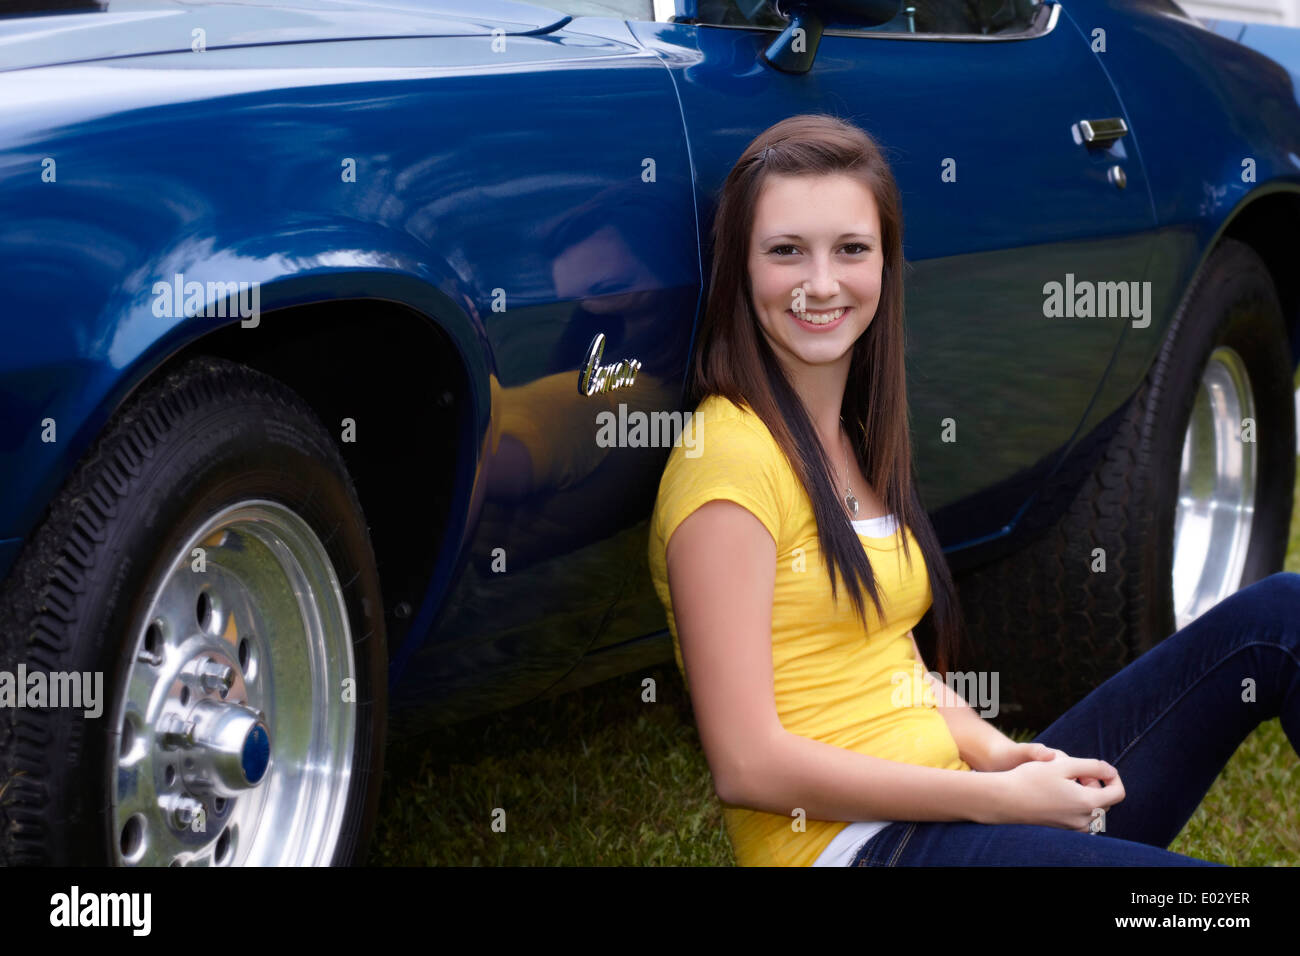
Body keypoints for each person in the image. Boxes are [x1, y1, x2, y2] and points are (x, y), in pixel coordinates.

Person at [645, 112, 1300, 866]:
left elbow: (892, 667)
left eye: (851, 249)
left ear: (885, 265)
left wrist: (1002, 756)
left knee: (1279, 617)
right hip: (857, 847)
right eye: (786, 251)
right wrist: (995, 801)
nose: (821, 283)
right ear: (742, 269)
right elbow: (747, 765)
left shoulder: (851, 437)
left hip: (954, 806)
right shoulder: (727, 460)